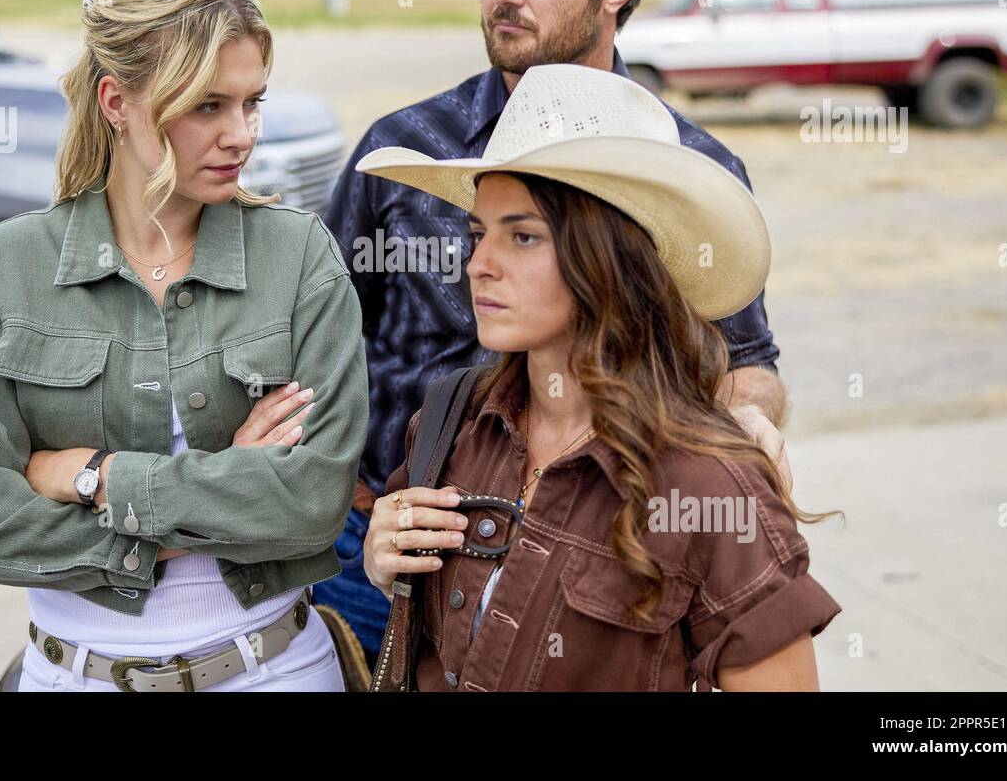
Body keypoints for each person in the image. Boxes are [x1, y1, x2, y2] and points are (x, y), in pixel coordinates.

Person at [314, 0, 790, 670]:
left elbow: (743, 360)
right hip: (390, 551)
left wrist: (747, 424)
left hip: (598, 564)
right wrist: (350, 507)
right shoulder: (405, 149)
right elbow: (317, 346)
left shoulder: (691, 177)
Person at [0, 0, 368, 692]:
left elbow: (310, 505)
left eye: (252, 101)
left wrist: (94, 476)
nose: (243, 135)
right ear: (116, 104)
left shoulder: (299, 259)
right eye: (207, 106)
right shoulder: (6, 269)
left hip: (276, 673)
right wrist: (223, 490)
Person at [359, 63, 841, 690]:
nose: (478, 264)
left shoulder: (710, 485)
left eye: (523, 237)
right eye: (478, 234)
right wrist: (383, 563)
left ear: (609, 260)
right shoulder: (451, 425)